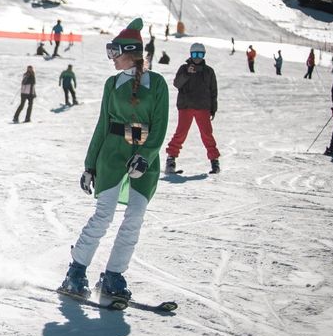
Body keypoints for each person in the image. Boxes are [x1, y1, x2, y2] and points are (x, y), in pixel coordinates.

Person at [60, 18, 169, 302]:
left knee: (134, 218)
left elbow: (159, 126)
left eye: (114, 53)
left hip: (145, 158)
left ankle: (113, 275)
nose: (111, 59)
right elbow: (102, 125)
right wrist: (90, 165)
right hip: (113, 153)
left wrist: (145, 157)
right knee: (104, 214)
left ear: (130, 52)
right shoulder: (112, 84)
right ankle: (76, 270)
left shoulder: (156, 84)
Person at [166, 43, 221, 174]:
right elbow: (177, 83)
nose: (197, 58)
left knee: (207, 134)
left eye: (200, 55)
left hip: (203, 107)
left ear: (204, 55)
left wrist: (213, 109)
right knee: (181, 133)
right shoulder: (184, 68)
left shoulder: (209, 71)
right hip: (186, 106)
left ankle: (215, 161)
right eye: (195, 54)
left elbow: (213, 91)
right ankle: (171, 159)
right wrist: (187, 73)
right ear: (190, 54)